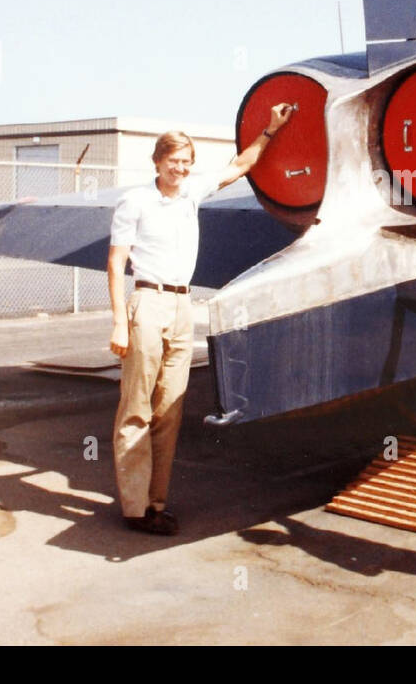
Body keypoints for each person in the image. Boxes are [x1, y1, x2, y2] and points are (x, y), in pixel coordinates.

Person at [107, 104, 294, 534]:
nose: (181, 168)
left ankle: (156, 503)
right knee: (136, 406)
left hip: (182, 306)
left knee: (169, 408)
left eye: (187, 163)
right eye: (174, 161)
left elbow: (239, 166)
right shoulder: (134, 202)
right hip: (147, 303)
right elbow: (116, 264)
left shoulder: (192, 192)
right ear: (157, 161)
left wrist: (271, 129)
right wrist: (119, 322)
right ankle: (135, 508)